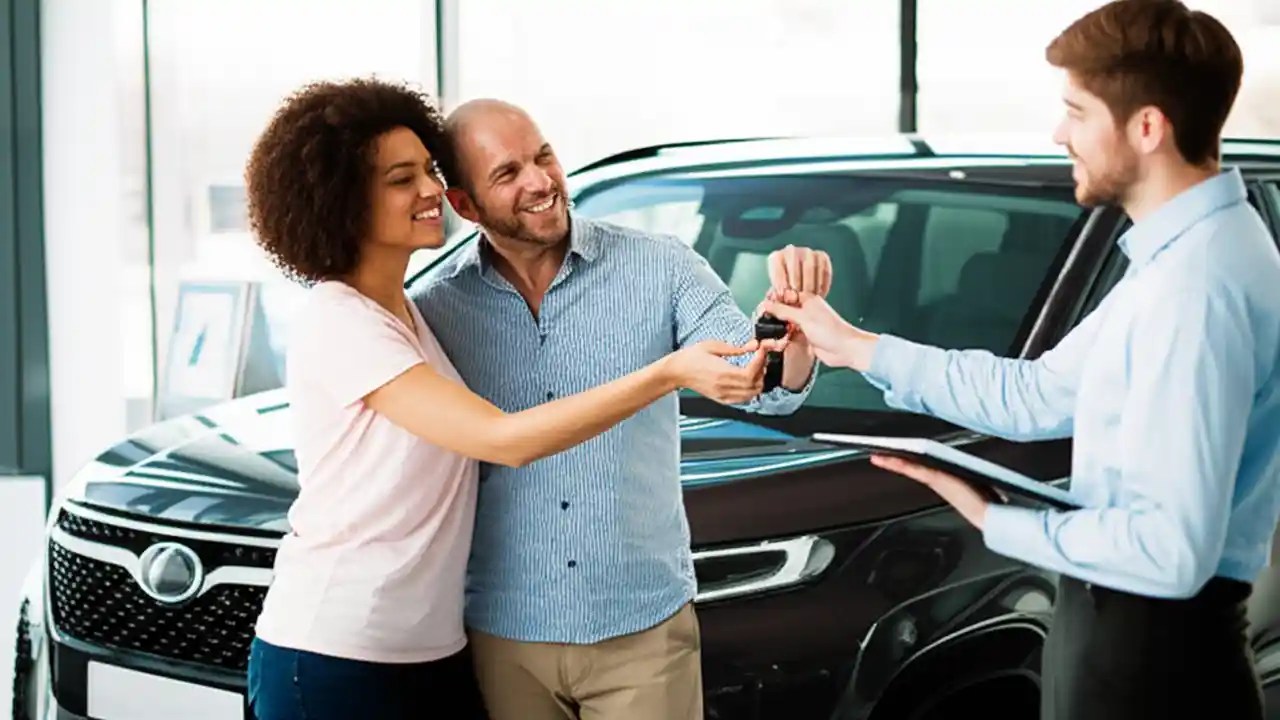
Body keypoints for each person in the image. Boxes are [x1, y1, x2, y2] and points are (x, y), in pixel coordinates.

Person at [759, 2, 1280, 719]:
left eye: (1076, 111)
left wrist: (1000, 521)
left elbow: (1170, 550)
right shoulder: (1186, 258)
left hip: (1154, 658)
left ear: (1148, 127)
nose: (1061, 133)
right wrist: (851, 345)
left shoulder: (1197, 288)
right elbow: (1035, 394)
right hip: (1137, 636)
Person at [241, 78, 782, 720]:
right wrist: (665, 374)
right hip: (341, 648)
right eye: (400, 179)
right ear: (342, 202)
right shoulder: (348, 321)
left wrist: (784, 337)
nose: (429, 191)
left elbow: (757, 373)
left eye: (426, 172)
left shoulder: (409, 315)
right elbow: (503, 438)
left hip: (431, 650)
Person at [411, 98, 831, 719]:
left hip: (641, 631)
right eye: (508, 173)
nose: (541, 181)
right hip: (501, 636)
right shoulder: (435, 311)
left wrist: (788, 333)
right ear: (465, 205)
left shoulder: (660, 267)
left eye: (543, 155)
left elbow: (756, 382)